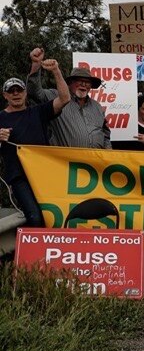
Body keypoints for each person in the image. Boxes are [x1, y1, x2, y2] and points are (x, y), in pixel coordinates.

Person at [0, 60, 71, 227]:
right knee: (34, 216)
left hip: (44, 173)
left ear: (25, 93)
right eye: (11, 91)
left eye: (19, 90)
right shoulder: (1, 117)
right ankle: (33, 253)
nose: (16, 94)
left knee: (52, 215)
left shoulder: (38, 111)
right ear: (5, 95)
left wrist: (56, 70)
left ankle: (52, 251)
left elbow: (65, 98)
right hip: (19, 177)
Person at [27, 49, 112, 149]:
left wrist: (108, 154)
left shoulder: (97, 106)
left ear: (91, 86)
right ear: (70, 83)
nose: (84, 84)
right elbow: (33, 92)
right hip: (65, 162)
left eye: (87, 82)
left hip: (94, 162)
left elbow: (105, 135)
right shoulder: (55, 97)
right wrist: (36, 64)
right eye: (79, 81)